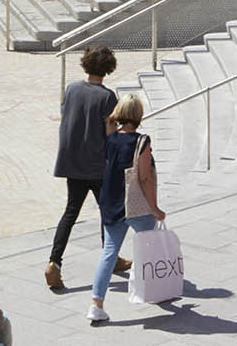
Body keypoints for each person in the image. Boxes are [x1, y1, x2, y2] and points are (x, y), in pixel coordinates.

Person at [45, 45, 118, 291]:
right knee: (107, 212)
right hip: (98, 166)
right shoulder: (108, 97)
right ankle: (112, 258)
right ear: (108, 69)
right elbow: (110, 134)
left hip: (73, 163)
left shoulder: (72, 89)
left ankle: (54, 262)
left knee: (70, 212)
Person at [90, 93, 164, 322]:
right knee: (150, 247)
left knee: (109, 253)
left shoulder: (110, 138)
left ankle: (96, 303)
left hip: (111, 204)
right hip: (137, 206)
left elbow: (110, 124)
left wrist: (114, 116)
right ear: (138, 115)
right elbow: (144, 178)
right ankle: (153, 290)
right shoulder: (142, 141)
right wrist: (155, 207)